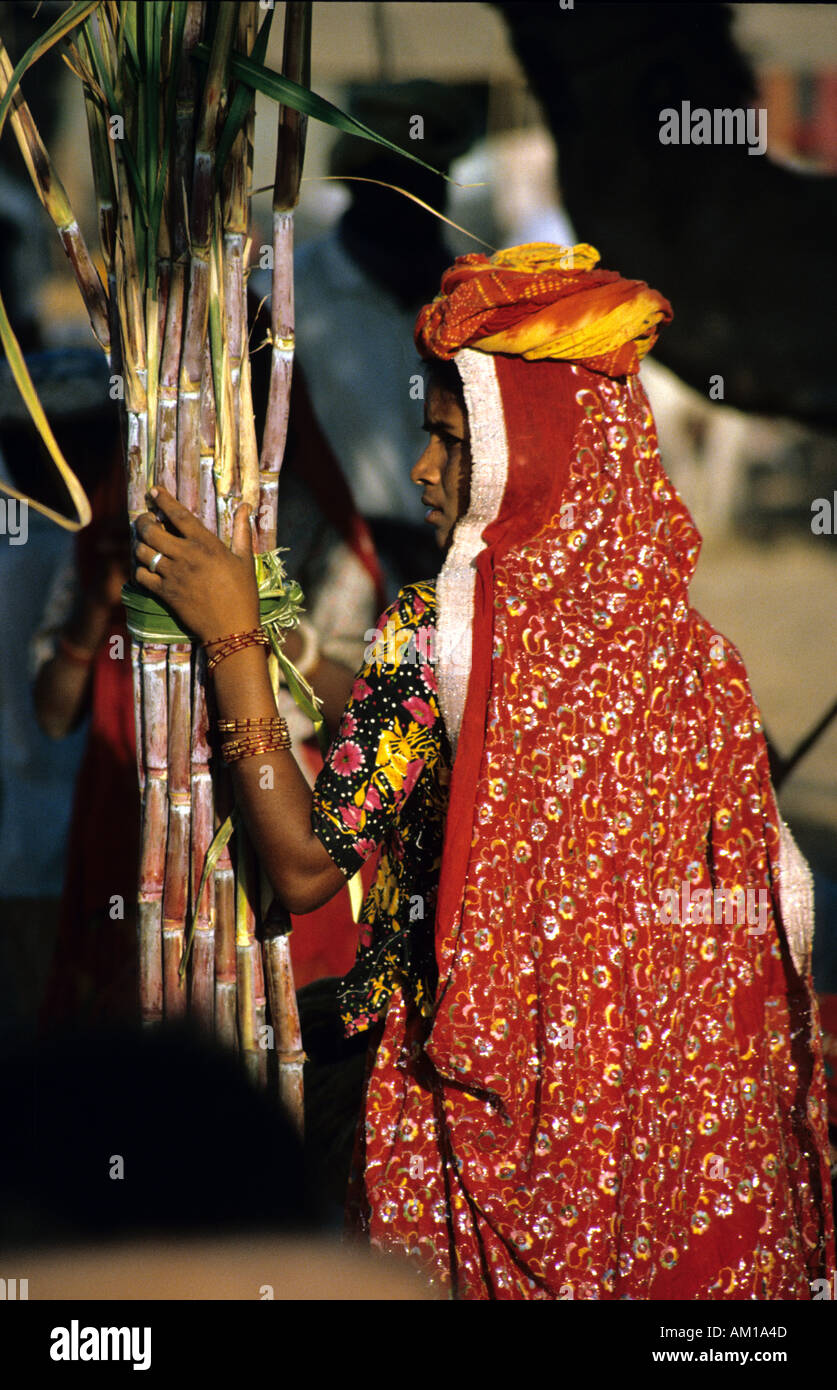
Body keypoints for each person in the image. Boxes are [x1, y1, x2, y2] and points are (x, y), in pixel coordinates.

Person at [133, 243, 835, 1300]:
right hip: (649, 1145)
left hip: (461, 1115)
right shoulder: (692, 661)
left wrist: (235, 643)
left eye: (454, 441)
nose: (422, 467)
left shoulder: (441, 640)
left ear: (539, 457)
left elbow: (304, 868)